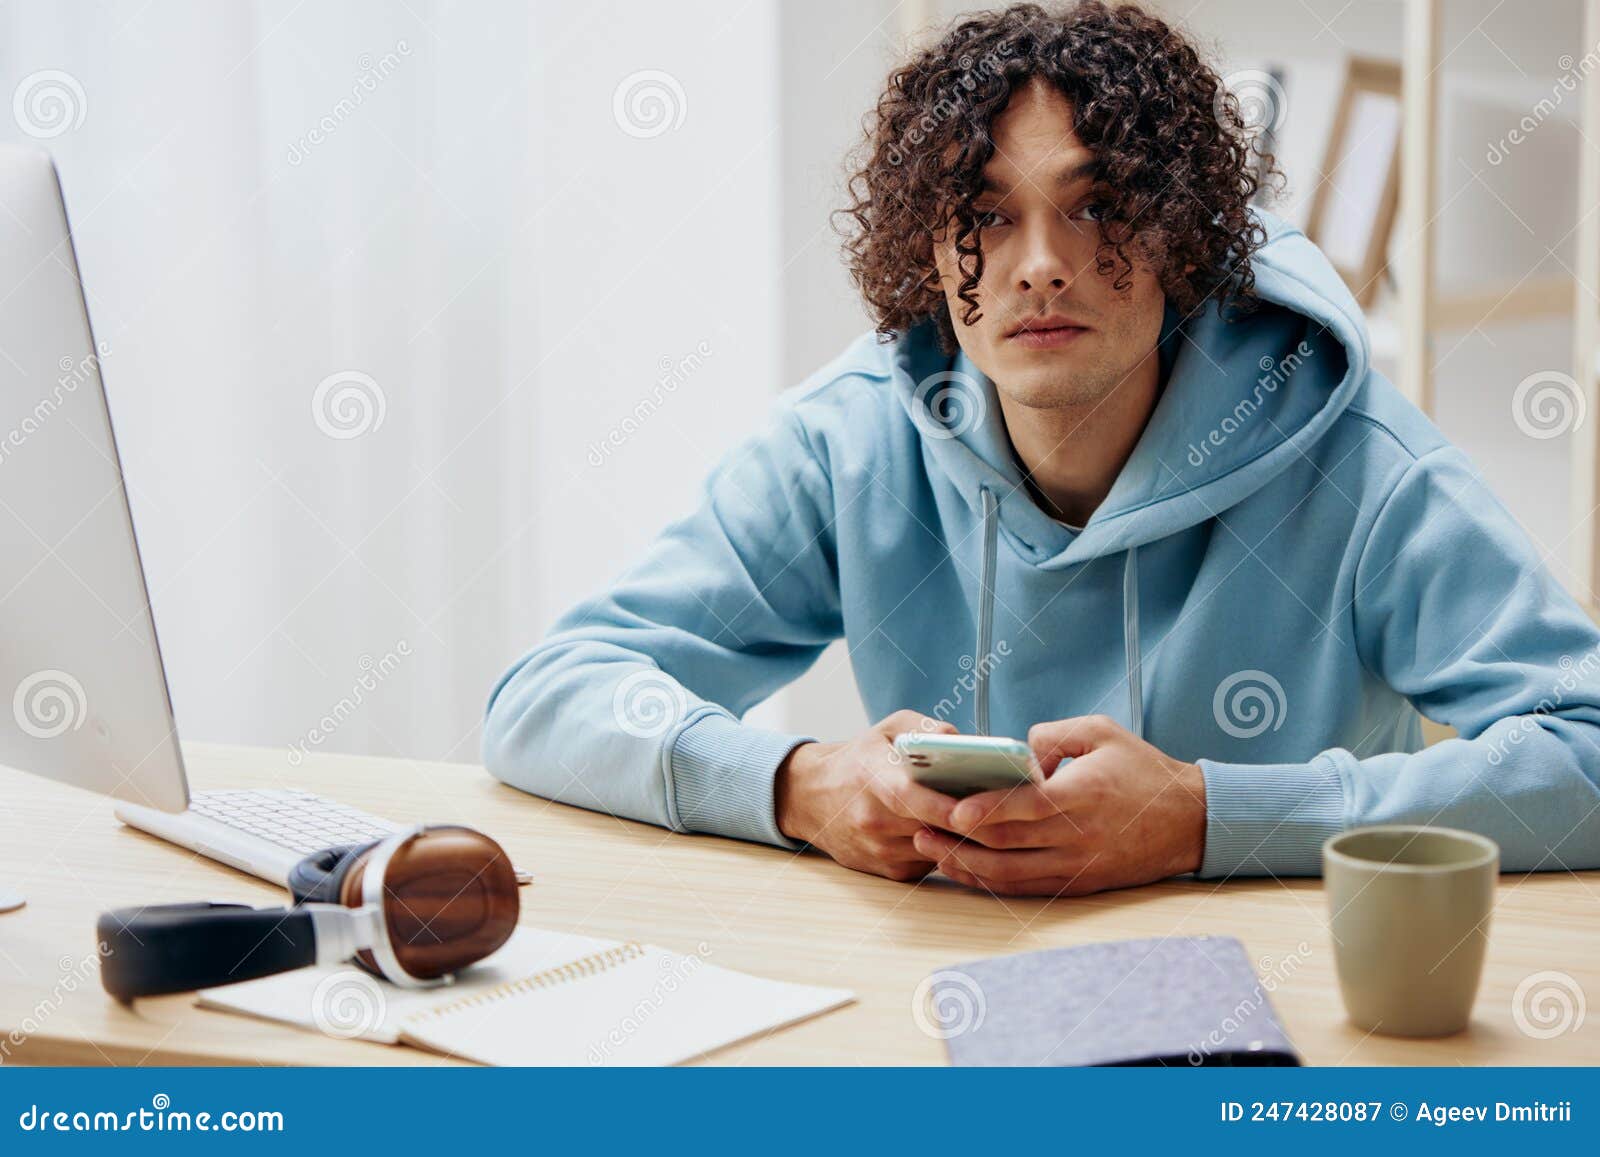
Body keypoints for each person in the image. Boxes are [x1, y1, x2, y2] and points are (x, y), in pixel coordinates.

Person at [483, 1, 1600, 895]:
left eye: (1096, 205)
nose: (1039, 264)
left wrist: (1206, 816)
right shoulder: (851, 441)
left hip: (1274, 1013)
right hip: (936, 995)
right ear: (922, 245)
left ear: (1179, 231)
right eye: (984, 211)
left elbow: (1584, 747)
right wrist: (799, 782)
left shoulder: (1354, 456)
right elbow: (550, 695)